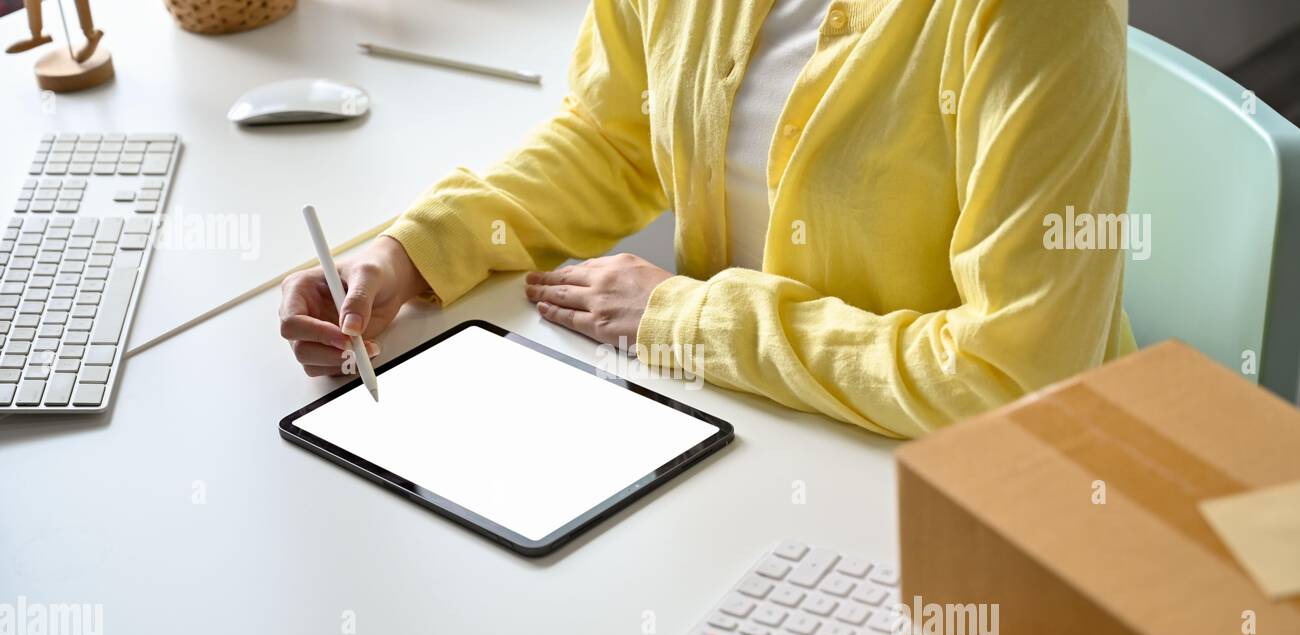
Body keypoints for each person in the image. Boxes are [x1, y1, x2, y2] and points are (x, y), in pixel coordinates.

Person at [279, 0, 1134, 439]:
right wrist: (411, 252)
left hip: (960, 485)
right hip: (744, 427)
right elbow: (615, 140)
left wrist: (686, 319)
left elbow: (1015, 374)